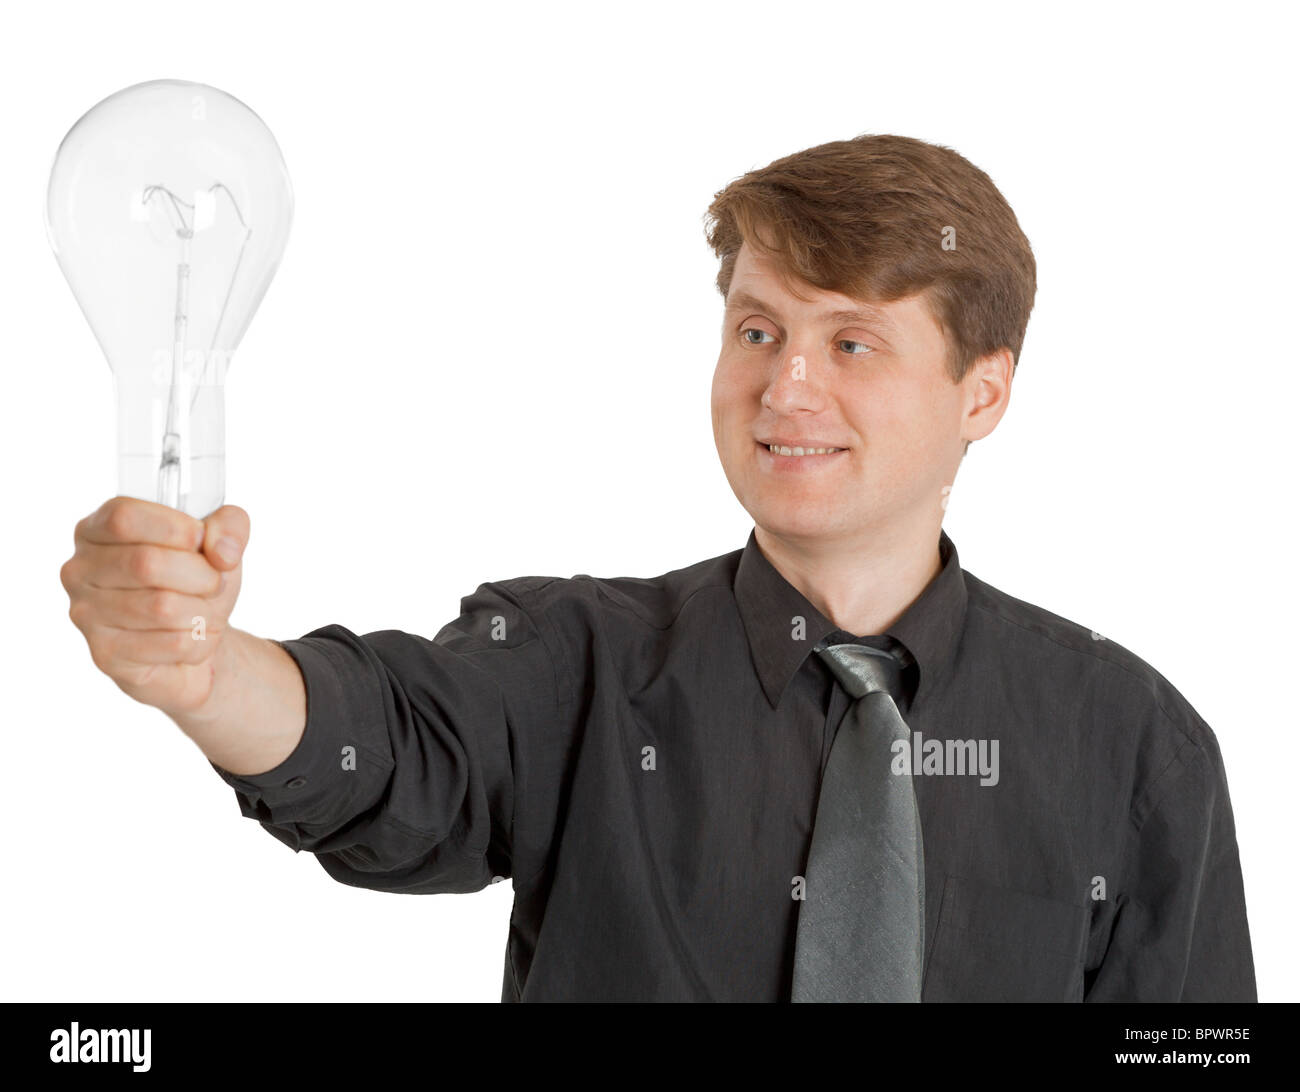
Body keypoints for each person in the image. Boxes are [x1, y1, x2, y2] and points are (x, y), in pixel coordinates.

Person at [60, 133, 1256, 1002]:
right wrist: (202, 667)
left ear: (981, 391)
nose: (785, 385)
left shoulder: (1132, 743)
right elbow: (378, 750)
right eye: (756, 330)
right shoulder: (575, 664)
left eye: (850, 341)